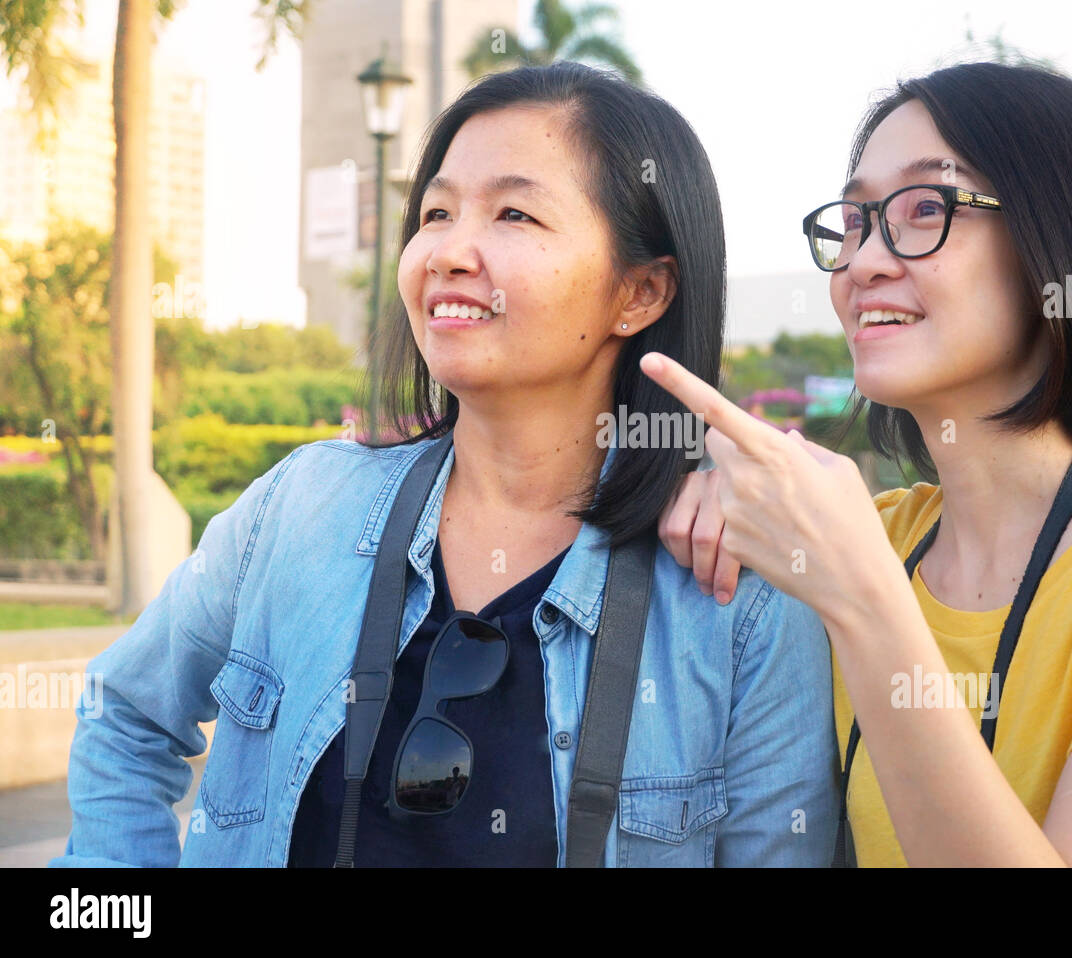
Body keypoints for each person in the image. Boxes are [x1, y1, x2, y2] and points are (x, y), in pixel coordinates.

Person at [51, 62, 837, 868]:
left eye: (513, 213)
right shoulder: (301, 506)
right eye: (436, 212)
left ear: (639, 292)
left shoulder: (740, 594)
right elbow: (126, 714)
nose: (450, 251)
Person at [645, 61, 1072, 866]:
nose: (863, 262)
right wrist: (714, 499)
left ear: (1066, 244)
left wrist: (864, 599)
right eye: (853, 219)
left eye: (924, 209)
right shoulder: (872, 538)